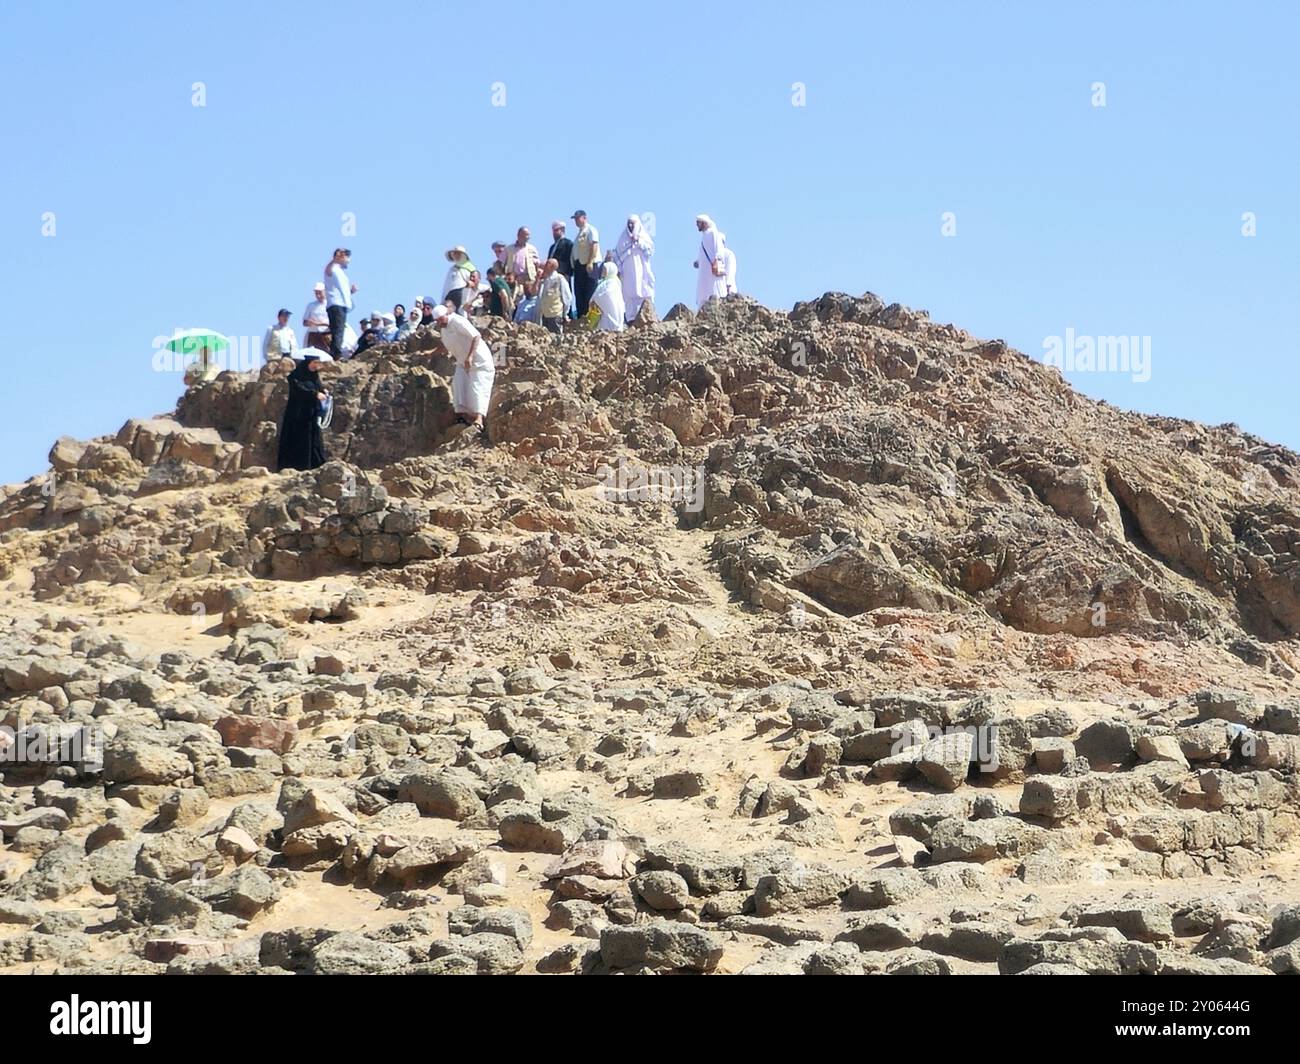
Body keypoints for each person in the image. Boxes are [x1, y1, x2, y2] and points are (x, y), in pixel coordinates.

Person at [429, 303, 495, 428]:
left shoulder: (458, 321)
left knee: (478, 388)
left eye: (440, 319)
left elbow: (475, 336)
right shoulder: (444, 329)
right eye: (436, 321)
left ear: (446, 315)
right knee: (459, 385)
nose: (438, 323)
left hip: (479, 361)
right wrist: (431, 353)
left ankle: (479, 419)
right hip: (463, 363)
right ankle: (463, 416)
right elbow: (445, 346)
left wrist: (470, 356)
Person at [277, 351, 331, 471]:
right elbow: (299, 390)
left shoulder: (314, 376)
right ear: (308, 363)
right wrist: (314, 394)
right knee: (298, 441)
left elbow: (318, 386)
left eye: (318, 363)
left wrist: (323, 391)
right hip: (298, 415)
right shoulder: (295, 376)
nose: (316, 365)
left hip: (311, 414)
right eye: (314, 363)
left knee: (314, 440)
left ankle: (315, 464)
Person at [613, 214, 655, 323]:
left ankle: (645, 315)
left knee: (643, 290)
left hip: (641, 269)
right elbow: (617, 255)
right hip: (628, 270)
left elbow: (650, 252)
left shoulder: (644, 237)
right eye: (629, 223)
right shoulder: (622, 239)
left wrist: (638, 242)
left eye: (633, 223)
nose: (631, 225)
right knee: (628, 293)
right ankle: (630, 318)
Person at [324, 248, 357, 361]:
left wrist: (350, 292)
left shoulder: (341, 273)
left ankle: (335, 353)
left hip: (342, 305)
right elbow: (327, 270)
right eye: (347, 258)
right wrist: (334, 259)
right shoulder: (333, 268)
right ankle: (335, 354)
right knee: (337, 331)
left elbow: (342, 290)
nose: (348, 261)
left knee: (339, 330)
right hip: (335, 304)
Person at [569, 209, 601, 316]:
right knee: (579, 294)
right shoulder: (579, 234)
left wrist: (590, 262)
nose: (576, 221)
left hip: (588, 265)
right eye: (575, 219)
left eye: (578, 218)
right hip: (579, 266)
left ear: (584, 218)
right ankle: (581, 317)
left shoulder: (591, 230)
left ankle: (590, 319)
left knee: (590, 293)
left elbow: (594, 245)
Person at [693, 215, 727, 309]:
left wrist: (716, 261)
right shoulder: (705, 236)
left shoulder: (713, 233)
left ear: (703, 223)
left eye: (698, 223)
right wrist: (698, 262)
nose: (697, 226)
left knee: (714, 287)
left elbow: (718, 249)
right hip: (704, 270)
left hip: (712, 268)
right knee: (703, 289)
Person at [536, 258, 573, 336]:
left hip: (556, 315)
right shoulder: (545, 280)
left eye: (547, 264)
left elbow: (567, 298)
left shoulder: (560, 279)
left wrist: (565, 314)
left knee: (556, 337)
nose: (545, 266)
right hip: (545, 316)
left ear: (553, 267)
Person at [590, 261, 626, 332]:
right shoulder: (610, 282)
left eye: (605, 269)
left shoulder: (611, 282)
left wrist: (595, 299)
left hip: (608, 317)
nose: (603, 271)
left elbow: (606, 296)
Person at [507, 226, 539, 293]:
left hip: (528, 279)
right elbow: (501, 263)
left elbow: (537, 265)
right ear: (519, 235)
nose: (529, 237)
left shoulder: (532, 248)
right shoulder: (509, 249)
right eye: (527, 235)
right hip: (514, 280)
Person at [303, 282, 331, 352]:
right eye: (316, 293)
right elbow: (304, 322)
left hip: (326, 334)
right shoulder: (311, 305)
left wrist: (318, 323)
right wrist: (309, 323)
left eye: (320, 293)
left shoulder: (330, 304)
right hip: (313, 333)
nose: (318, 295)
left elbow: (332, 323)